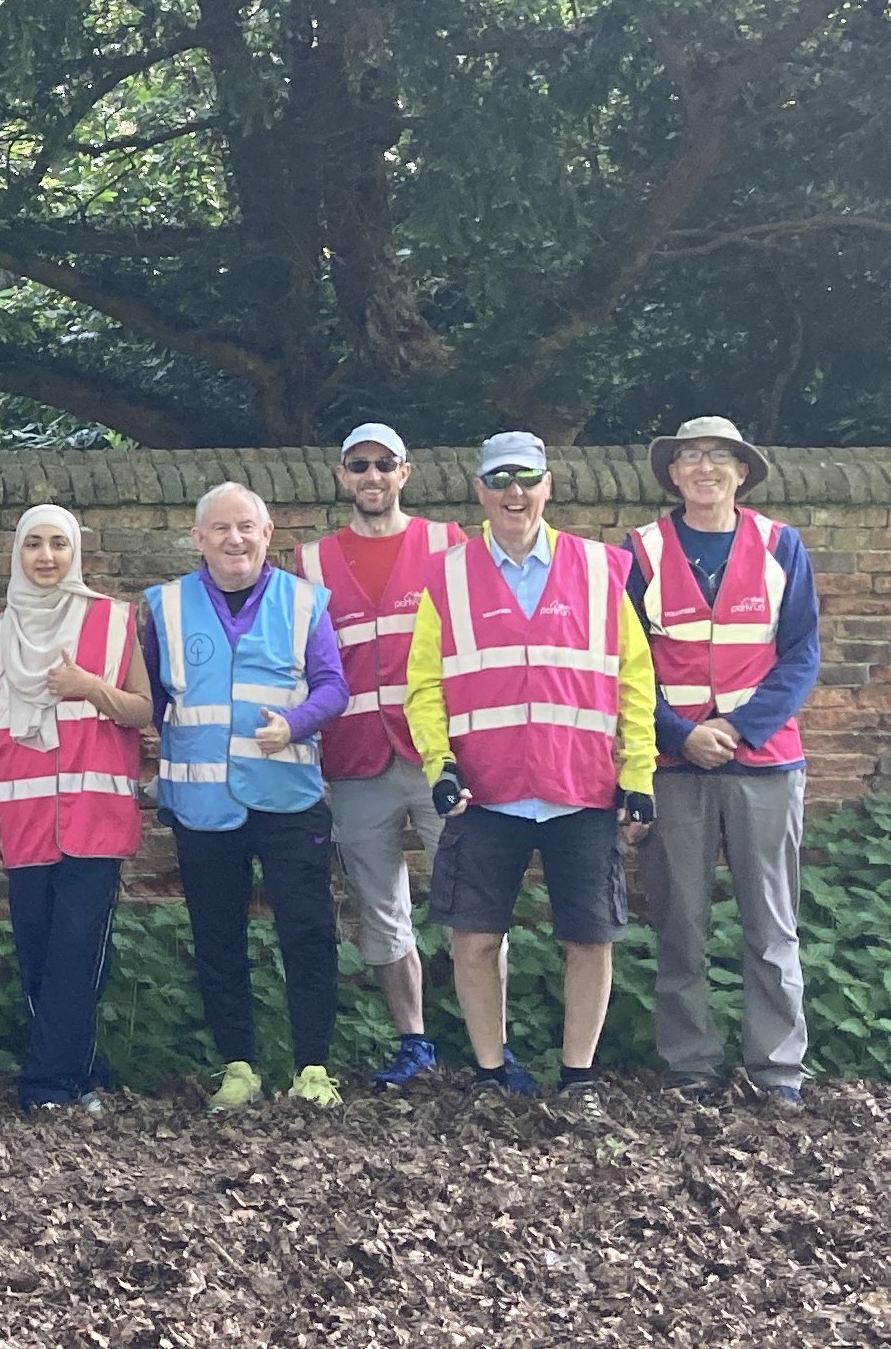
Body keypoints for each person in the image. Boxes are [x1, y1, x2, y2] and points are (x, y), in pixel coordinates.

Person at [405, 431, 658, 1110]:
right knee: (475, 938)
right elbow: (424, 685)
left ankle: (577, 1078)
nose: (514, 493)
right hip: (483, 793)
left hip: (581, 787)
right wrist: (440, 763)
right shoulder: (446, 574)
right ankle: (488, 1074)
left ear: (548, 484)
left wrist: (639, 774)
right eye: (499, 480)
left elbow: (634, 680)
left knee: (590, 936)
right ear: (479, 490)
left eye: (526, 479)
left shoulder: (602, 569)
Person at [626, 416, 818, 1108]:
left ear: (741, 471)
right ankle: (690, 1065)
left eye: (718, 457)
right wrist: (679, 734)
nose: (703, 468)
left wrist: (736, 728)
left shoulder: (778, 545)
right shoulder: (640, 551)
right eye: (689, 458)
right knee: (679, 920)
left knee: (771, 923)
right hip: (674, 766)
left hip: (764, 760)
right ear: (672, 474)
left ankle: (777, 1070)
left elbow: (801, 654)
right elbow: (625, 664)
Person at [144, 482, 347, 1110]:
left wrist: (297, 723)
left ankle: (313, 1067)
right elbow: (147, 699)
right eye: (221, 529)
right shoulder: (163, 607)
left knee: (308, 931)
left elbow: (333, 687)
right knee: (216, 935)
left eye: (247, 527)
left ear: (268, 533)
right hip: (202, 806)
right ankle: (238, 1066)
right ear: (198, 538)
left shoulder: (305, 602)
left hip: (288, 797)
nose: (236, 539)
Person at [296, 425, 463, 1090]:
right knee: (378, 906)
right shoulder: (309, 563)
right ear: (341, 476)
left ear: (405, 471)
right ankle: (413, 1042)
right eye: (358, 465)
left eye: (383, 464)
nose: (371, 475)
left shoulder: (447, 546)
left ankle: (492, 1047)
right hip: (353, 756)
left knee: (472, 901)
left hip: (437, 755)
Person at [0, 506, 151, 1114]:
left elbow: (143, 711)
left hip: (94, 817)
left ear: (75, 551)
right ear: (18, 554)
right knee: (36, 949)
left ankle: (49, 1085)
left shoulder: (112, 619)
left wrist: (89, 687)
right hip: (23, 818)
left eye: (58, 543)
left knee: (78, 951)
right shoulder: (1, 629)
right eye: (34, 544)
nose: (47, 556)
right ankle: (78, 1070)